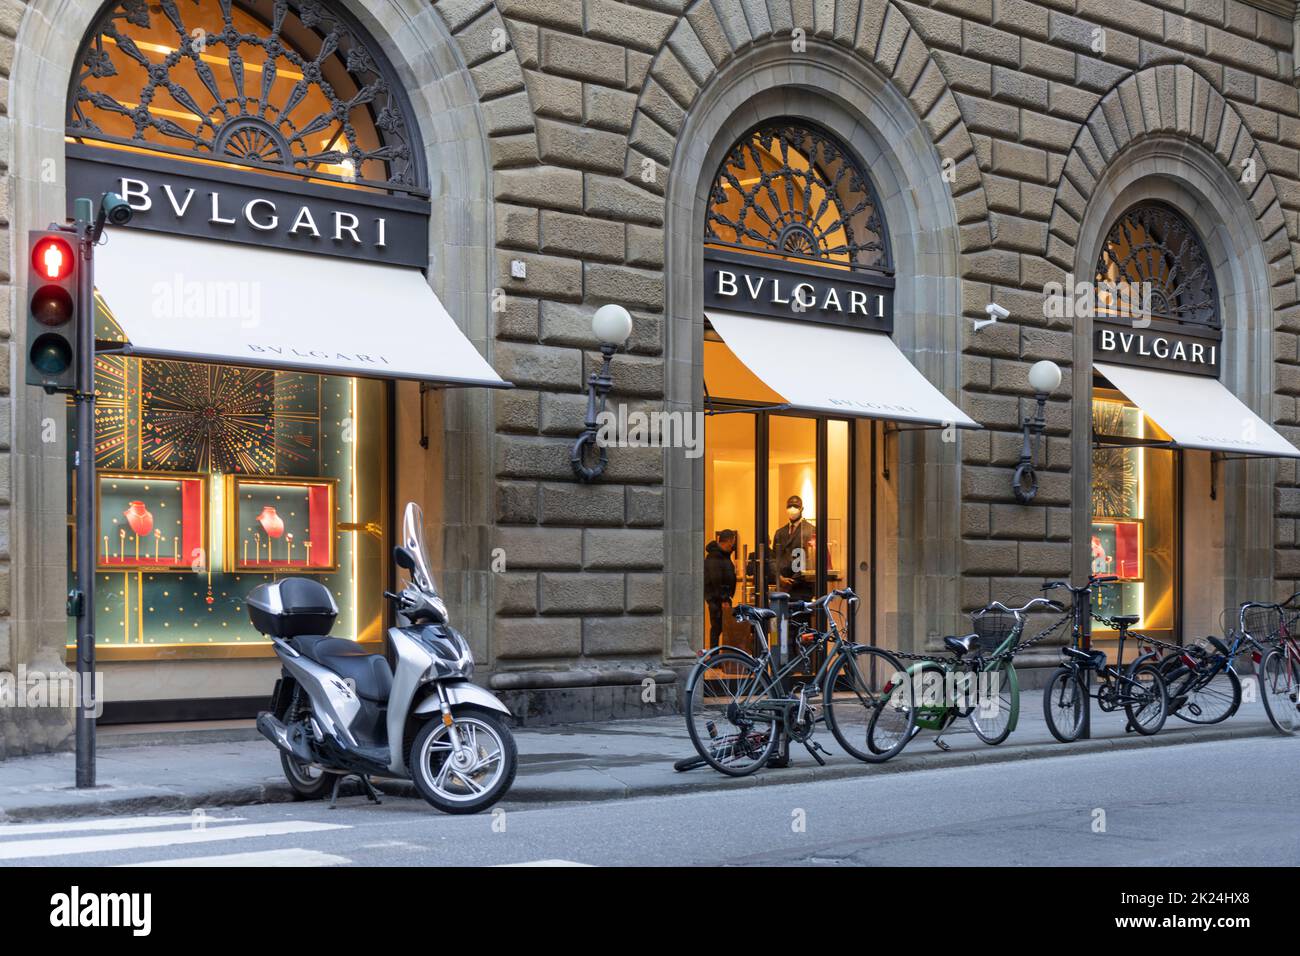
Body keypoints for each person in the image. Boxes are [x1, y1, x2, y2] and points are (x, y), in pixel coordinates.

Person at [771, 494, 816, 602]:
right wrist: (779, 578)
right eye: (789, 506)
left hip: (802, 587)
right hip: (781, 587)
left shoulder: (811, 530)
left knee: (800, 617)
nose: (792, 509)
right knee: (782, 618)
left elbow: (810, 560)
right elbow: (773, 558)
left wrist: (792, 581)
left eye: (795, 506)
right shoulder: (779, 533)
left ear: (802, 509)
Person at [704, 530, 738, 646]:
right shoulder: (715, 557)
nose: (733, 545)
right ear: (729, 541)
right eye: (732, 541)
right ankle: (715, 657)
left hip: (720, 598)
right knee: (717, 627)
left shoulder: (722, 555)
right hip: (717, 599)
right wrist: (723, 599)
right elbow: (716, 579)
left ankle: (718, 656)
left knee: (720, 627)